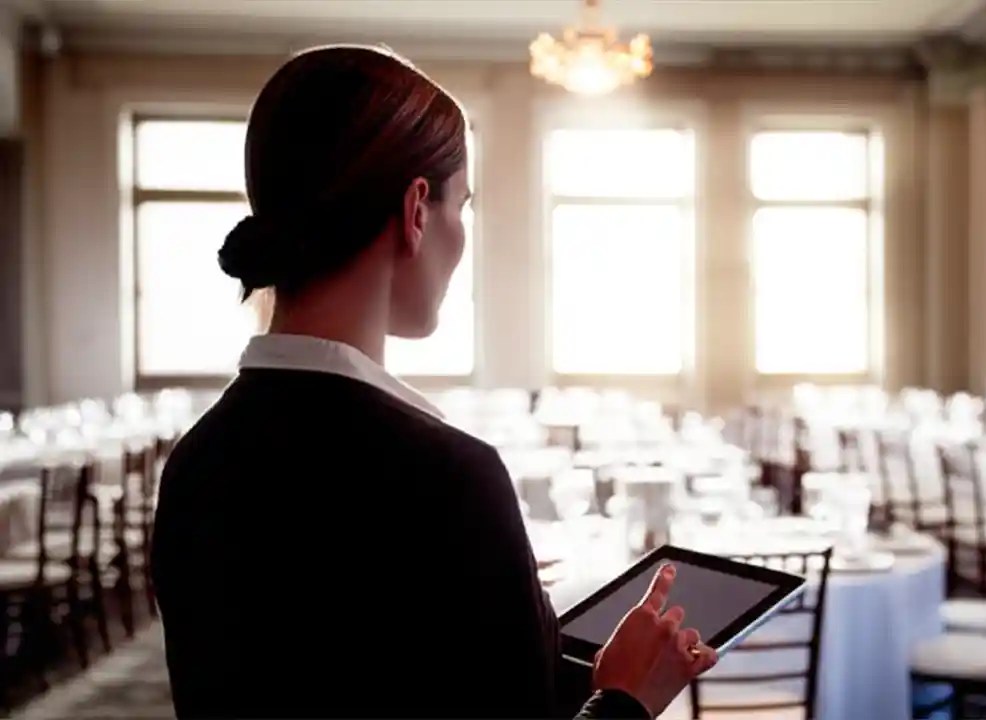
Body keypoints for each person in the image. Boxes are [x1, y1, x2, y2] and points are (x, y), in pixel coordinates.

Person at [150, 45, 717, 719]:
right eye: (463, 206)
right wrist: (625, 696)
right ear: (418, 210)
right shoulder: (449, 478)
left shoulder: (194, 463)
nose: (461, 233)